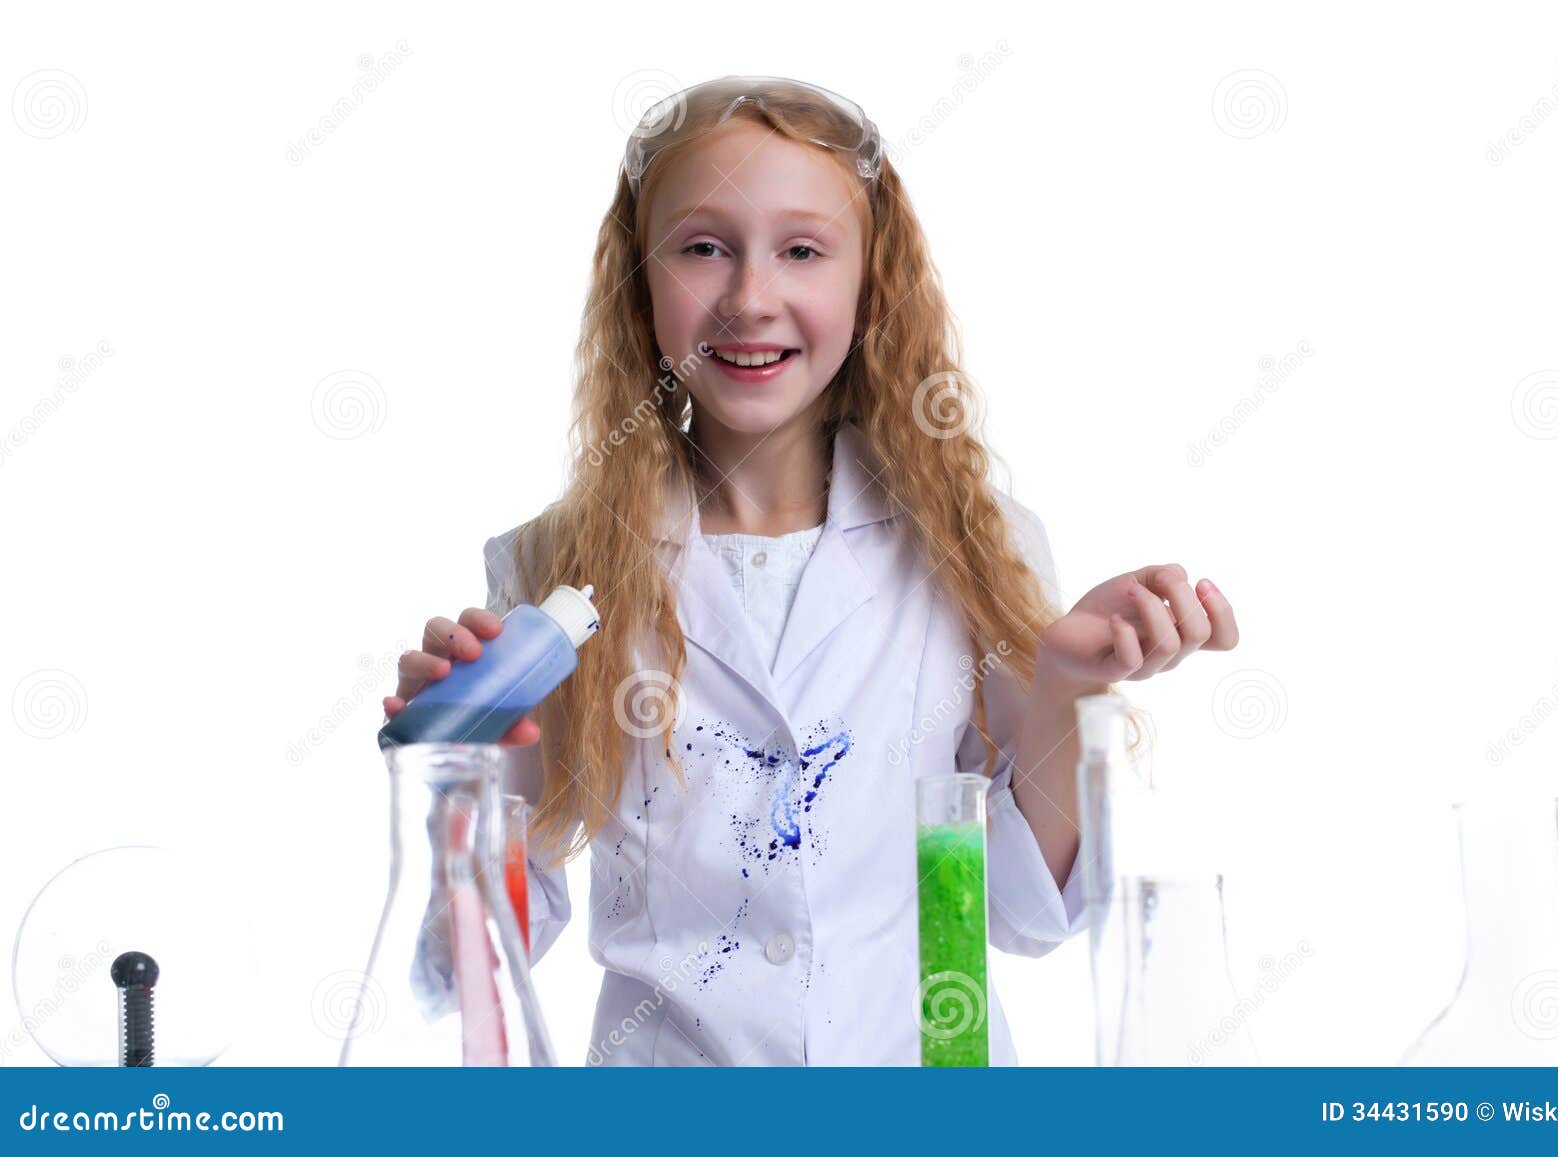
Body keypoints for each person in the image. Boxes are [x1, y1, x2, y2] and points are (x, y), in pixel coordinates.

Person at [382, 76, 1240, 1066]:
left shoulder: (977, 539)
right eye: (702, 247)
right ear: (639, 279)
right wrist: (470, 777)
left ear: (870, 281)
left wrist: (1064, 686)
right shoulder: (548, 567)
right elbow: (464, 975)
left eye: (801, 249)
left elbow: (1021, 913)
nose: (751, 297)